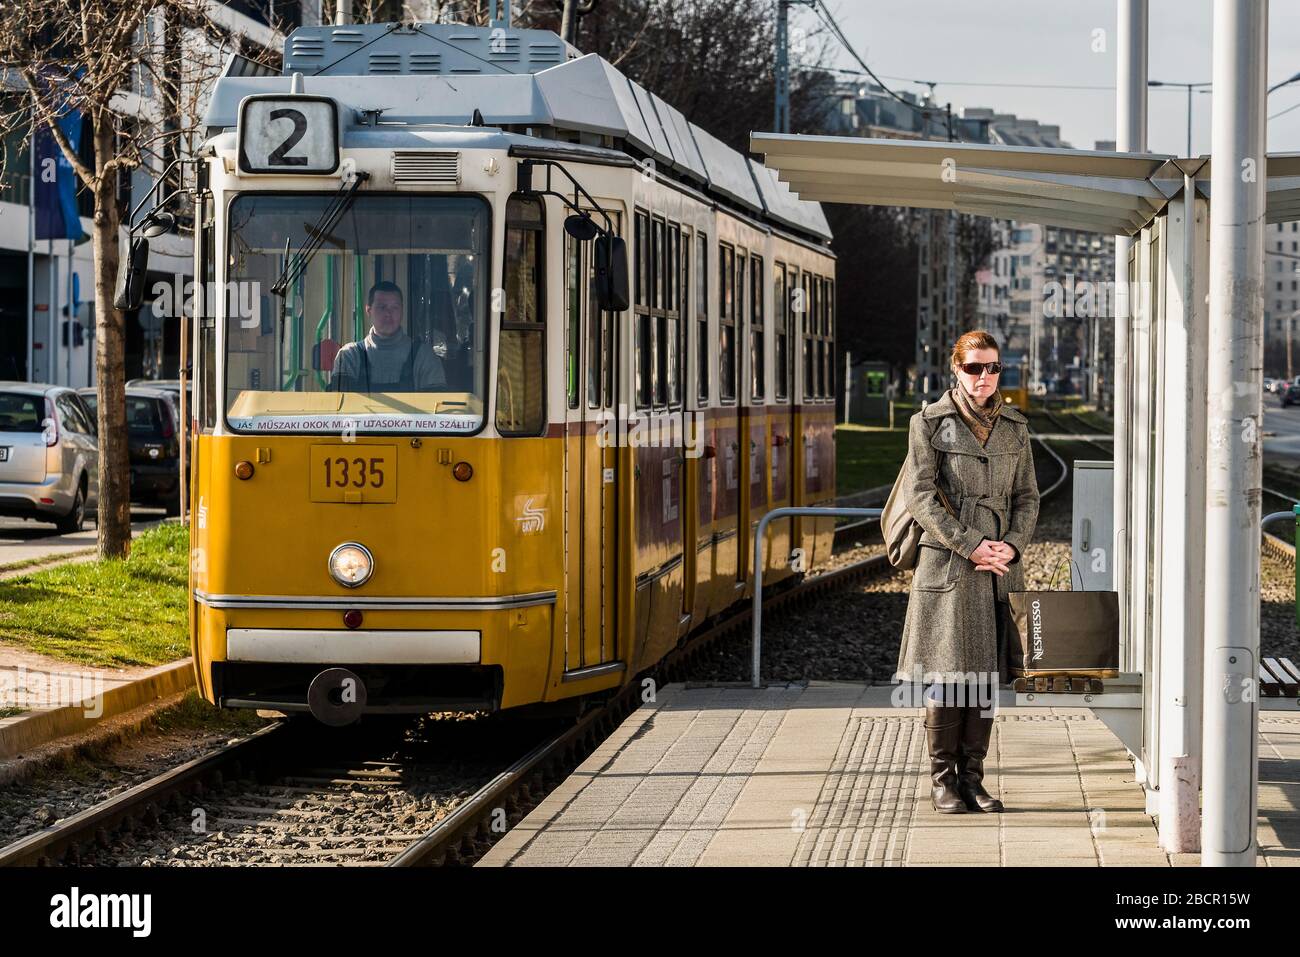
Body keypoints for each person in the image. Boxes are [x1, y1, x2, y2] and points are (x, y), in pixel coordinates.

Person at [894, 330, 1040, 814]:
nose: (984, 377)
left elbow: (1027, 498)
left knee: (983, 678)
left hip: (998, 568)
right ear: (955, 369)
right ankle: (942, 781)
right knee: (946, 675)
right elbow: (920, 495)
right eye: (974, 367)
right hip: (948, 565)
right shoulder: (930, 423)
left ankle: (974, 779)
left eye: (993, 368)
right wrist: (972, 545)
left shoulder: (1016, 426)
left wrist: (1011, 549)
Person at [332, 281, 447, 392]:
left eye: (394, 308)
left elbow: (435, 409)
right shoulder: (349, 356)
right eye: (382, 307)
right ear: (368, 310)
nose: (388, 314)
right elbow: (339, 406)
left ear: (402, 310)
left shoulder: (424, 357)